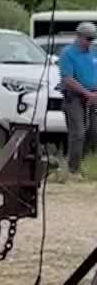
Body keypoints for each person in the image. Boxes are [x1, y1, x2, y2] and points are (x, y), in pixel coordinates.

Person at [60, 22, 97, 178]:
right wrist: (87, 94)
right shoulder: (68, 53)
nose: (90, 42)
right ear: (79, 36)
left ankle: (81, 161)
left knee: (94, 131)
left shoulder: (94, 53)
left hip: (93, 96)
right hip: (74, 97)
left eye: (92, 39)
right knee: (78, 132)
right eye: (88, 39)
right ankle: (73, 171)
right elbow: (68, 79)